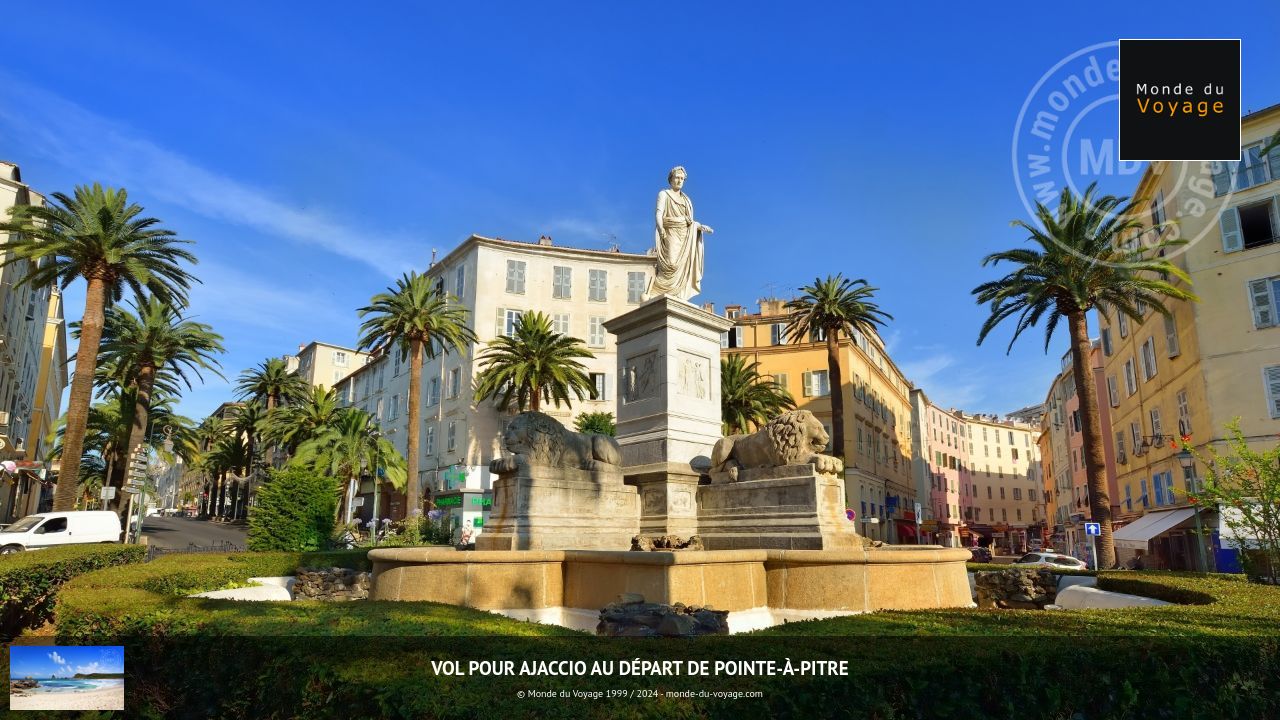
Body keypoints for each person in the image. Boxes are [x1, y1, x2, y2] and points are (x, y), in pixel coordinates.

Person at [647, 166, 714, 302]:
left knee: (682, 266)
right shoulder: (664, 194)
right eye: (677, 177)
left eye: (682, 179)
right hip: (670, 231)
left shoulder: (686, 200)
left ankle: (678, 293)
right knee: (671, 264)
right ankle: (657, 291)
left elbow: (690, 222)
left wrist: (700, 227)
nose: (679, 181)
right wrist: (661, 229)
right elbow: (659, 213)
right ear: (671, 178)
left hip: (685, 236)